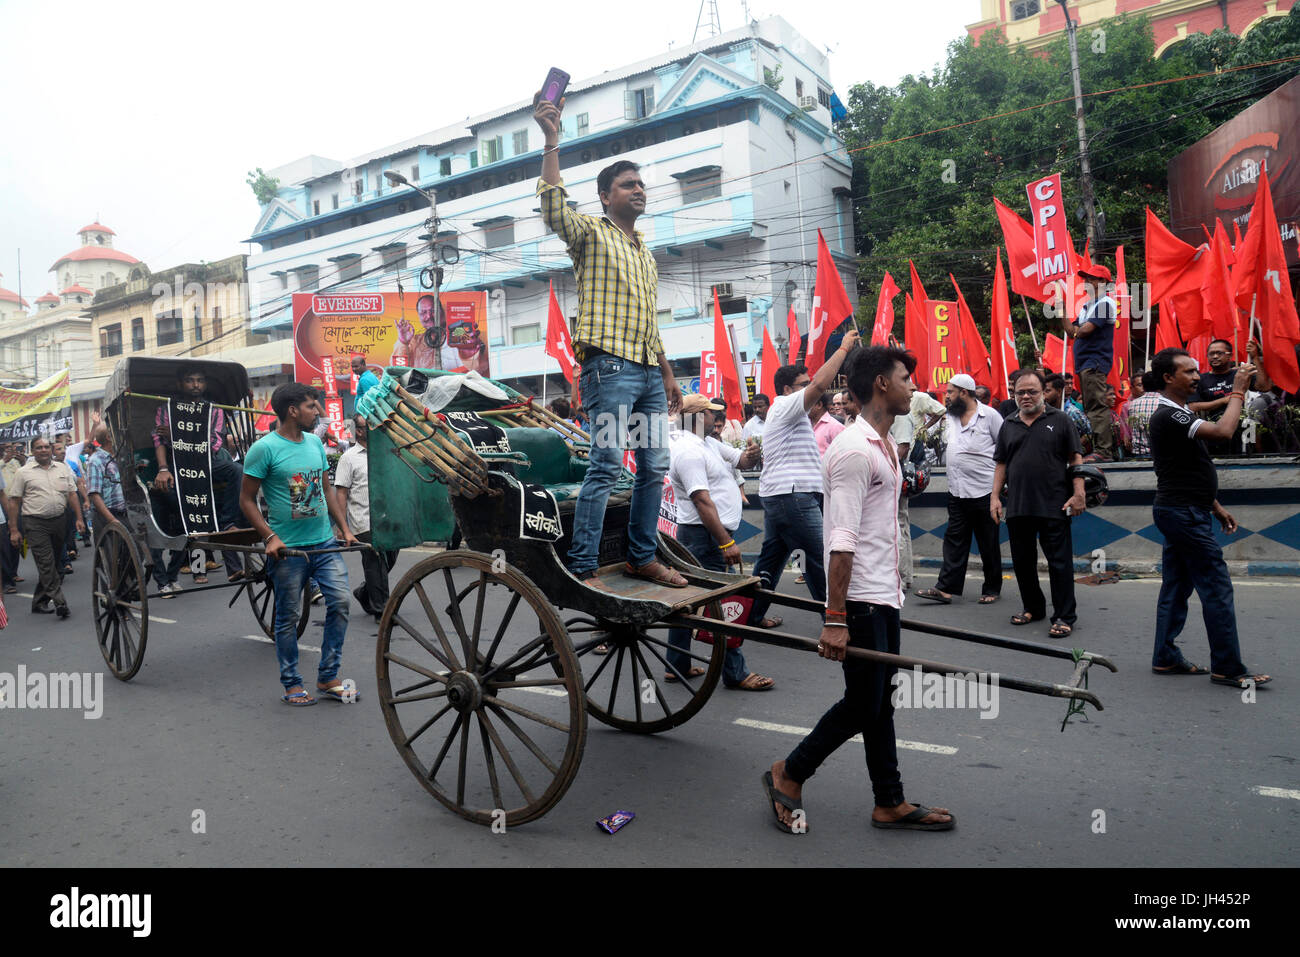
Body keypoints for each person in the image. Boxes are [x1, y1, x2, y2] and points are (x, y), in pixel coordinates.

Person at [762, 345, 953, 834]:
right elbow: (840, 541)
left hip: (883, 596)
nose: (914, 385)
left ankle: (888, 800)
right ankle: (791, 770)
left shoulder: (883, 444)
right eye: (905, 377)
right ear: (882, 385)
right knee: (863, 704)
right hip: (861, 600)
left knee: (877, 701)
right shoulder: (852, 450)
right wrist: (835, 617)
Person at [534, 88, 684, 590]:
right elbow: (555, 210)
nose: (639, 190)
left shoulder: (644, 250)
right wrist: (552, 139)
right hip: (608, 370)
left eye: (641, 184)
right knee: (604, 464)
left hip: (645, 374)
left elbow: (650, 321)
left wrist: (667, 373)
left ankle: (642, 556)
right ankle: (582, 566)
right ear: (605, 196)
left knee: (654, 465)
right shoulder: (592, 233)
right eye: (627, 184)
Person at [1147, 348, 1270, 689]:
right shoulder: (1169, 415)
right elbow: (1223, 432)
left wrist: (1214, 506)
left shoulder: (1181, 412)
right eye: (1188, 372)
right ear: (1168, 378)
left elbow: (1188, 467)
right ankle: (1228, 668)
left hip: (1186, 510)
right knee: (1216, 586)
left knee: (1176, 586)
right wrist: (1238, 390)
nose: (1197, 376)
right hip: (1181, 514)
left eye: (1197, 371)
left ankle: (1165, 656)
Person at [241, 383, 360, 706]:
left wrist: (344, 530)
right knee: (287, 617)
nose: (318, 411)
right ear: (292, 410)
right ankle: (292, 682)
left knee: (341, 603)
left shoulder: (314, 443)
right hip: (288, 550)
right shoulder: (264, 449)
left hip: (323, 543)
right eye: (311, 406)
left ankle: (328, 676)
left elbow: (324, 491)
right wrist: (269, 536)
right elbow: (247, 499)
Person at [747, 328, 861, 630]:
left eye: (807, 384)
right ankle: (836, 622)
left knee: (769, 563)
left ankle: (749, 617)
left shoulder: (792, 414)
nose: (810, 388)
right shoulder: (785, 405)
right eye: (802, 385)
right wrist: (843, 350)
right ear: (786, 389)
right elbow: (823, 383)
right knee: (820, 558)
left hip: (785, 496)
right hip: (792, 496)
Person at [664, 394, 771, 690]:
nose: (717, 419)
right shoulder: (688, 451)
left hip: (705, 535)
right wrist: (725, 543)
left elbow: (741, 460)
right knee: (721, 607)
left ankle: (676, 663)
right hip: (705, 537)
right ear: (699, 418)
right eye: (712, 414)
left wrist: (752, 452)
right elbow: (701, 500)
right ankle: (735, 673)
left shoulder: (707, 442)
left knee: (687, 602)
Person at [990, 369, 1086, 638]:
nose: (1026, 396)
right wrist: (995, 497)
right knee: (1022, 562)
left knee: (1059, 563)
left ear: (1044, 392)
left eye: (1032, 391)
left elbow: (1075, 458)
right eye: (1020, 392)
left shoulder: (1061, 419)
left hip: (1054, 503)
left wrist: (1079, 493)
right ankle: (1033, 607)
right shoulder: (1008, 423)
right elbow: (1001, 463)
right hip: (1019, 505)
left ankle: (1064, 616)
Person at [915, 373, 1003, 605]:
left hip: (985, 491)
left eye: (950, 392)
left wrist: (1000, 491)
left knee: (988, 542)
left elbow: (1005, 449)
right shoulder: (951, 417)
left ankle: (992, 587)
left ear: (964, 393)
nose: (947, 397)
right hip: (957, 491)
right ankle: (945, 588)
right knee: (954, 540)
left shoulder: (990, 416)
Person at [153, 363, 244, 585]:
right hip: (178, 467)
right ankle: (197, 568)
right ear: (180, 383)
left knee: (238, 471)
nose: (196, 384)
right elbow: (159, 440)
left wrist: (176, 435)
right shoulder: (166, 409)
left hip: (208, 463)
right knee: (196, 513)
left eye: (200, 380)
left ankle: (228, 522)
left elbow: (214, 442)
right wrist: (163, 469)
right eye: (190, 380)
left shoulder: (214, 409)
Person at [7, 436, 83, 618]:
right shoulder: (23, 473)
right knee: (46, 564)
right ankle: (60, 602)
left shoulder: (62, 468)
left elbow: (72, 494)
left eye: (46, 447)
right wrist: (14, 530)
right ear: (33, 451)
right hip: (35, 523)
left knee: (54, 564)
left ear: (50, 450)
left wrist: (79, 518)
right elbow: (14, 502)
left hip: (59, 521)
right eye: (39, 448)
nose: (43, 450)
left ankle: (39, 601)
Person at [334, 414, 397, 623]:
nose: (375, 429)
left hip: (387, 517)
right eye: (369, 426)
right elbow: (341, 493)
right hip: (363, 520)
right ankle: (383, 610)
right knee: (375, 564)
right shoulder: (348, 457)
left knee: (389, 560)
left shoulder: (385, 452)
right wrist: (344, 528)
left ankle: (365, 591)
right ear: (359, 431)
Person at [1060, 262, 1117, 461]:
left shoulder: (1106, 303)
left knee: (1097, 406)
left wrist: (1076, 330)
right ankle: (1098, 450)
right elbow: (1071, 331)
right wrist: (1060, 307)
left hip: (1095, 361)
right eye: (1086, 278)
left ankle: (1103, 452)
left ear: (1103, 282)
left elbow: (1083, 331)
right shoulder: (1088, 306)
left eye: (1091, 278)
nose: (1086, 282)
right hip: (1086, 364)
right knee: (1092, 406)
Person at [1188, 338, 1243, 455]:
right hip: (1214, 431)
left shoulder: (1240, 375)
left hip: (1243, 429)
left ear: (1230, 356)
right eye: (1211, 354)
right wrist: (1224, 400)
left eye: (1219, 353)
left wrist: (1255, 359)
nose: (1215, 356)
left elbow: (1263, 386)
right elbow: (1192, 406)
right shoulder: (1199, 379)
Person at [51, 440, 87, 574]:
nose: (62, 451)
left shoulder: (69, 465)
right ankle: (61, 563)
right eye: (58, 449)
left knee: (68, 531)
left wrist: (85, 501)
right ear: (52, 452)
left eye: (63, 449)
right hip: (53, 508)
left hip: (69, 504)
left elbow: (78, 484)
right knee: (57, 537)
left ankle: (67, 560)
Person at [85, 424, 126, 529]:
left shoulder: (119, 456)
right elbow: (94, 495)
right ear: (108, 437)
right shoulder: (95, 461)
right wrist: (112, 520)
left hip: (125, 513)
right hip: (107, 516)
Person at [1044, 372, 1091, 453]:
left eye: (1047, 391)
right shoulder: (1044, 413)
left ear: (1059, 392)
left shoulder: (1072, 412)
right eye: (1043, 391)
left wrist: (1073, 447)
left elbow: (1089, 433)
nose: (1043, 395)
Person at [1126, 371, 1163, 458]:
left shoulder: (1133, 404)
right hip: (1162, 454)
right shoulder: (1166, 402)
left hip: (1140, 454)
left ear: (1144, 385)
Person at [810, 390, 845, 456]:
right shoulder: (805, 425)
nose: (805, 407)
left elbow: (842, 455)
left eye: (809, 403)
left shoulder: (835, 426)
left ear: (819, 405)